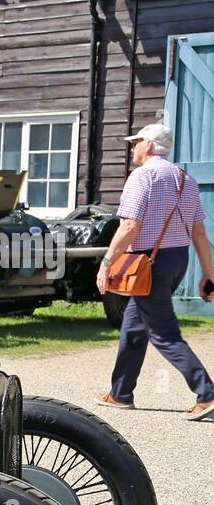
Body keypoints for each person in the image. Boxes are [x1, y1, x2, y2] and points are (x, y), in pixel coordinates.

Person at [97, 123, 214, 421]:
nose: (132, 147)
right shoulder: (185, 179)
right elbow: (199, 231)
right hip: (177, 260)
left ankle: (207, 393)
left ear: (148, 145)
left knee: (163, 333)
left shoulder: (142, 176)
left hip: (148, 264)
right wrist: (208, 274)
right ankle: (120, 393)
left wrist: (107, 262)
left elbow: (129, 225)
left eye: (135, 142)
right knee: (135, 326)